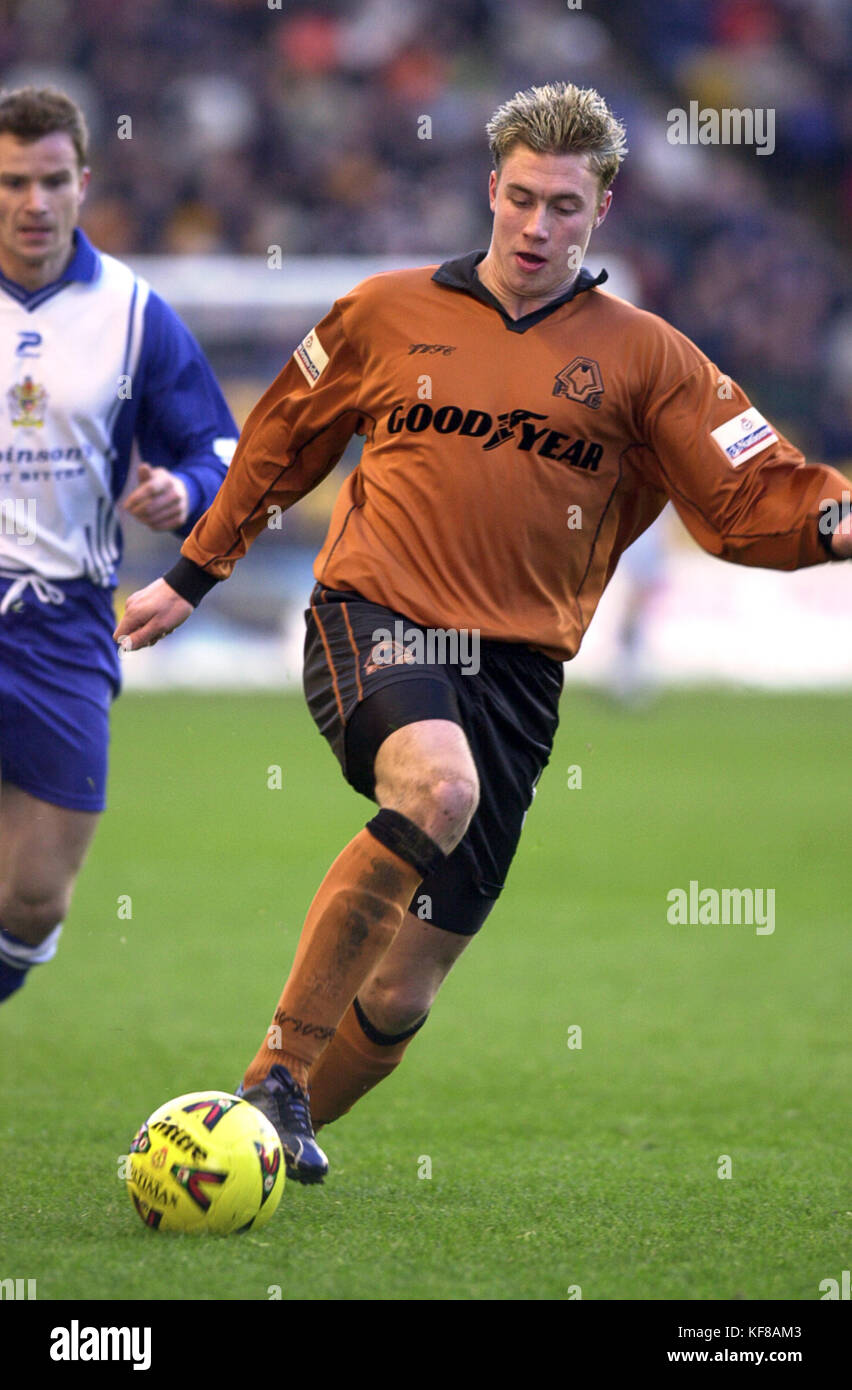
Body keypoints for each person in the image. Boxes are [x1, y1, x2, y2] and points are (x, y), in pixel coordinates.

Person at [115, 82, 852, 1186]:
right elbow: (280, 443)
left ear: (601, 206)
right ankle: (274, 1079)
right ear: (487, 188)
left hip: (517, 675)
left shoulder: (648, 357)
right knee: (435, 790)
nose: (536, 227)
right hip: (375, 616)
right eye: (519, 199)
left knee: (406, 989)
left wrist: (838, 520)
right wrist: (192, 572)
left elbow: (753, 496)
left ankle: (256, 1136)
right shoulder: (381, 310)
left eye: (563, 206)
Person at [0, 87, 238, 1003]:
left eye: (52, 180)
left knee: (31, 901)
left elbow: (218, 449)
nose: (34, 201)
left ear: (82, 181)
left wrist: (184, 493)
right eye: (13, 180)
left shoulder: (135, 314)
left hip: (62, 626)